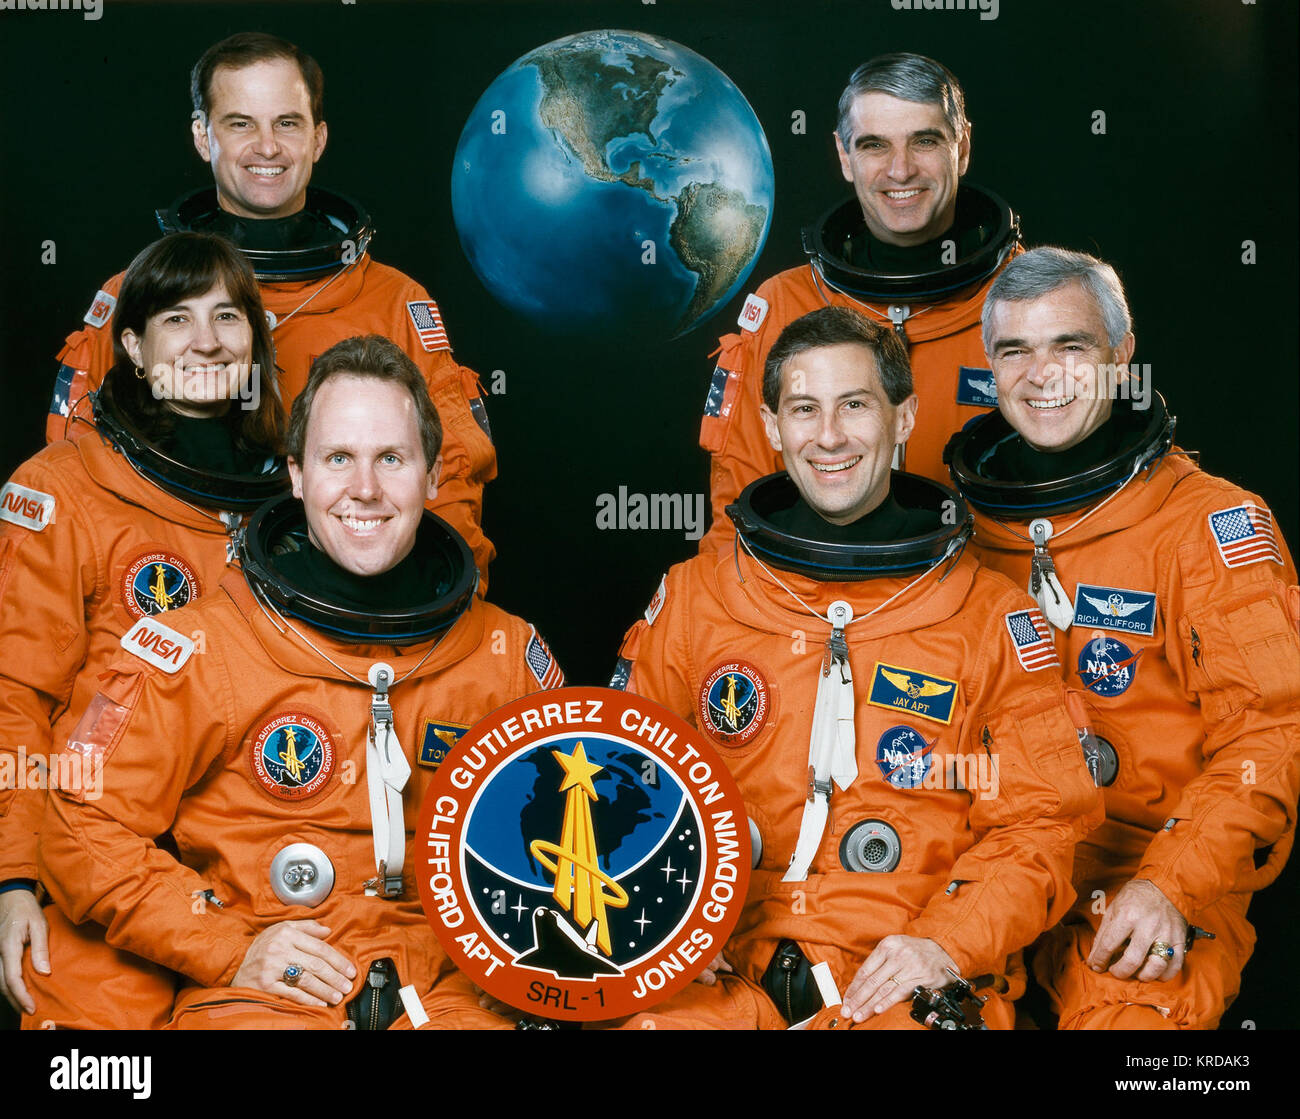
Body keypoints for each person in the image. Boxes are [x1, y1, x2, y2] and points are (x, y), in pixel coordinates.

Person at [35, 336, 560, 1029]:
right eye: (338, 457)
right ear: (297, 475)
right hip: (268, 988)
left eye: (392, 459)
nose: (364, 489)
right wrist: (226, 943)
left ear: (433, 476)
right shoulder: (201, 647)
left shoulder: (504, 654)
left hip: (453, 988)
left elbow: (577, 839)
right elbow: (81, 820)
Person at [610, 307, 1098, 1029]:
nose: (829, 436)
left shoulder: (989, 615)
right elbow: (621, 779)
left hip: (898, 975)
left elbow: (1044, 823)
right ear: (774, 428)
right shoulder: (697, 596)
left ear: (904, 417)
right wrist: (660, 920)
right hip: (720, 970)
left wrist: (946, 941)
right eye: (805, 409)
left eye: (855, 405)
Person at [945, 246, 1300, 1029]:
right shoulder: (952, 537)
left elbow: (1272, 733)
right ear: (990, 367)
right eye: (1015, 350)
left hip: (1149, 869)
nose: (1043, 375)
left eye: (1070, 345)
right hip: (986, 869)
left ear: (1120, 354)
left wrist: (1171, 884)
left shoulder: (1206, 526)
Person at [46, 32, 497, 578]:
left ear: (319, 138)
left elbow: (452, 475)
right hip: (169, 581)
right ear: (201, 136)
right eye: (241, 123)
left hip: (342, 604)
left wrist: (422, 601)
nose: (267, 147)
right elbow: (73, 475)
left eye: (287, 123)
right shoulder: (131, 298)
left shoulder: (396, 303)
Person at [0, 232, 287, 1026]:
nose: (206, 340)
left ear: (253, 342)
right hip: (98, 857)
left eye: (228, 316)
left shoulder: (297, 505)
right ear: (130, 344)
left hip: (253, 862)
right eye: (176, 318)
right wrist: (13, 877)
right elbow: (15, 698)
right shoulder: (63, 489)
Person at [700, 52, 1019, 553]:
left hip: (977, 608)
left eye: (926, 140)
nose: (900, 170)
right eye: (874, 145)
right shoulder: (783, 305)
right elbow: (735, 519)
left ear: (962, 148)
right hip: (815, 609)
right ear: (845, 157)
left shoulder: (1038, 305)